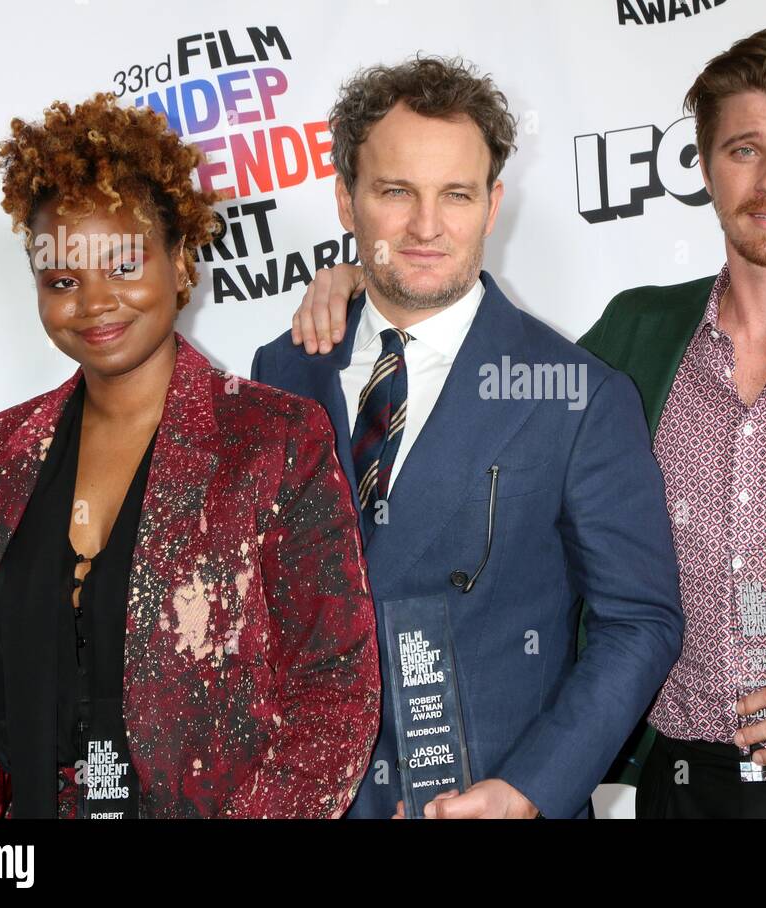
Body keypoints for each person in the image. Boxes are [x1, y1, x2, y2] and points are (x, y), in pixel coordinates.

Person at [289, 29, 766, 818]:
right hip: (674, 786)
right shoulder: (635, 334)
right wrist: (372, 285)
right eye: (743, 150)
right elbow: (468, 380)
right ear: (704, 168)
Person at [0, 93, 379, 819]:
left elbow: (333, 699)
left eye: (123, 265)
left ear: (181, 262)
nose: (95, 302)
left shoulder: (272, 440)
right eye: (63, 281)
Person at [251, 56, 683, 819]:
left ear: (492, 205)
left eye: (456, 193)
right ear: (346, 200)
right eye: (395, 192)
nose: (426, 226)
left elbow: (638, 623)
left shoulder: (576, 395)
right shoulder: (282, 370)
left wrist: (528, 791)